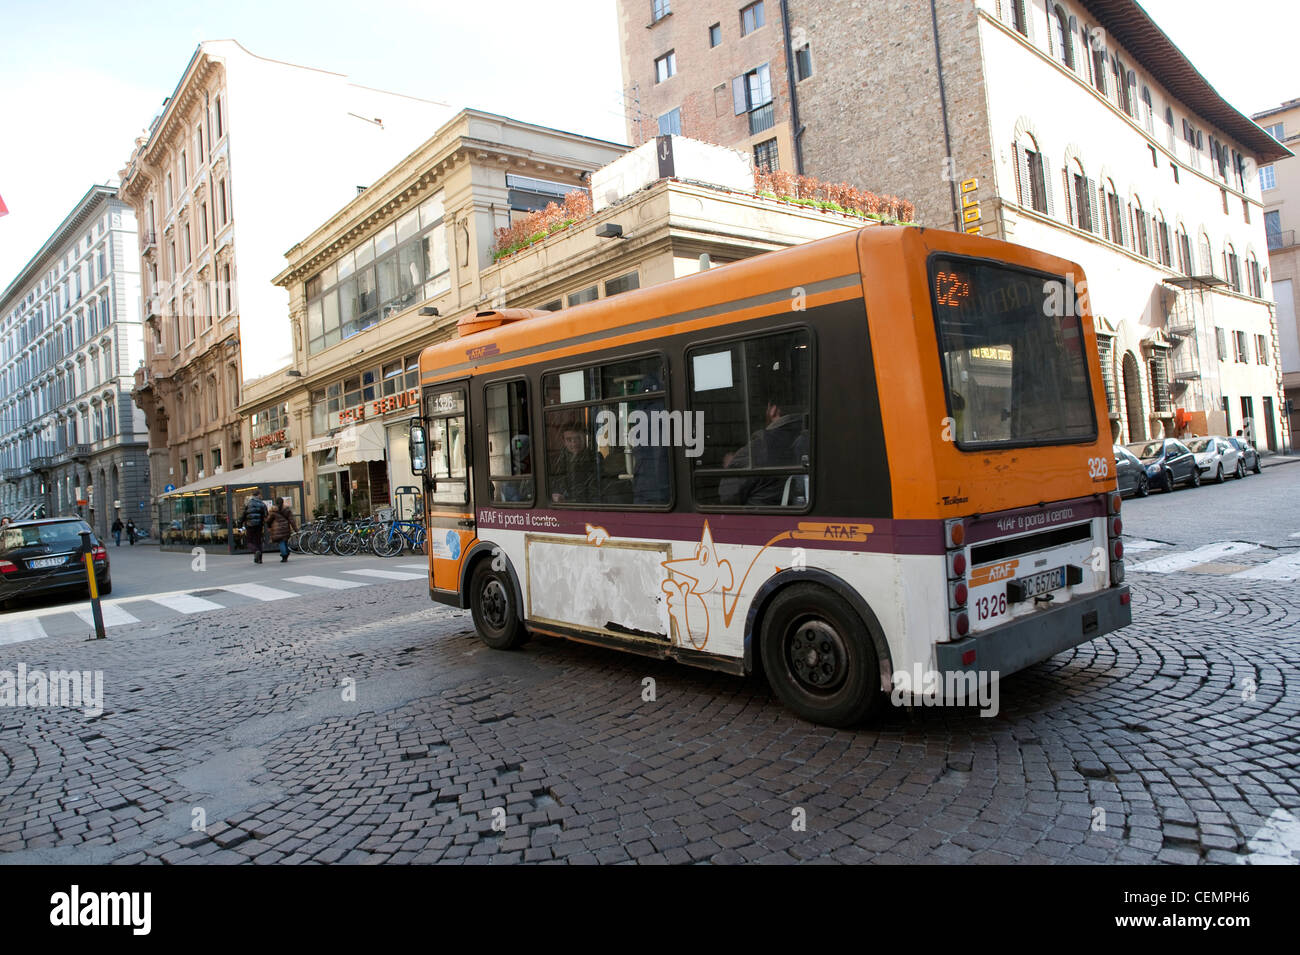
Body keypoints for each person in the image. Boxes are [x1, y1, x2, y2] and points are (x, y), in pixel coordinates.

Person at [718, 400, 809, 506]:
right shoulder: (813, 437)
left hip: (762, 515)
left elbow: (728, 497)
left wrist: (732, 466)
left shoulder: (760, 447)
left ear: (773, 410)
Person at [549, 426, 597, 503]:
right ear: (564, 442)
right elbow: (554, 483)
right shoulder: (556, 460)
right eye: (569, 440)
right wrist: (557, 495)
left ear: (585, 439)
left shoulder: (595, 458)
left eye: (577, 438)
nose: (574, 443)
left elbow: (596, 486)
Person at [240, 490, 268, 563]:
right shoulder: (262, 504)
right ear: (258, 495)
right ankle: (259, 559)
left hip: (250, 525)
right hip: (259, 525)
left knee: (249, 541)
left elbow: (243, 515)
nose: (261, 496)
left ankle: (255, 551)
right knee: (258, 541)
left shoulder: (247, 504)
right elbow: (266, 515)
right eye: (260, 495)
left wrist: (240, 524)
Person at [267, 497, 297, 562]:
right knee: (285, 541)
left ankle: (284, 554)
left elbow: (268, 520)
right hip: (285, 528)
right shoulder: (287, 510)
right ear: (283, 502)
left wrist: (269, 526)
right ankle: (286, 552)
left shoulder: (273, 511)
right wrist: (295, 529)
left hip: (277, 529)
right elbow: (292, 520)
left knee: (281, 542)